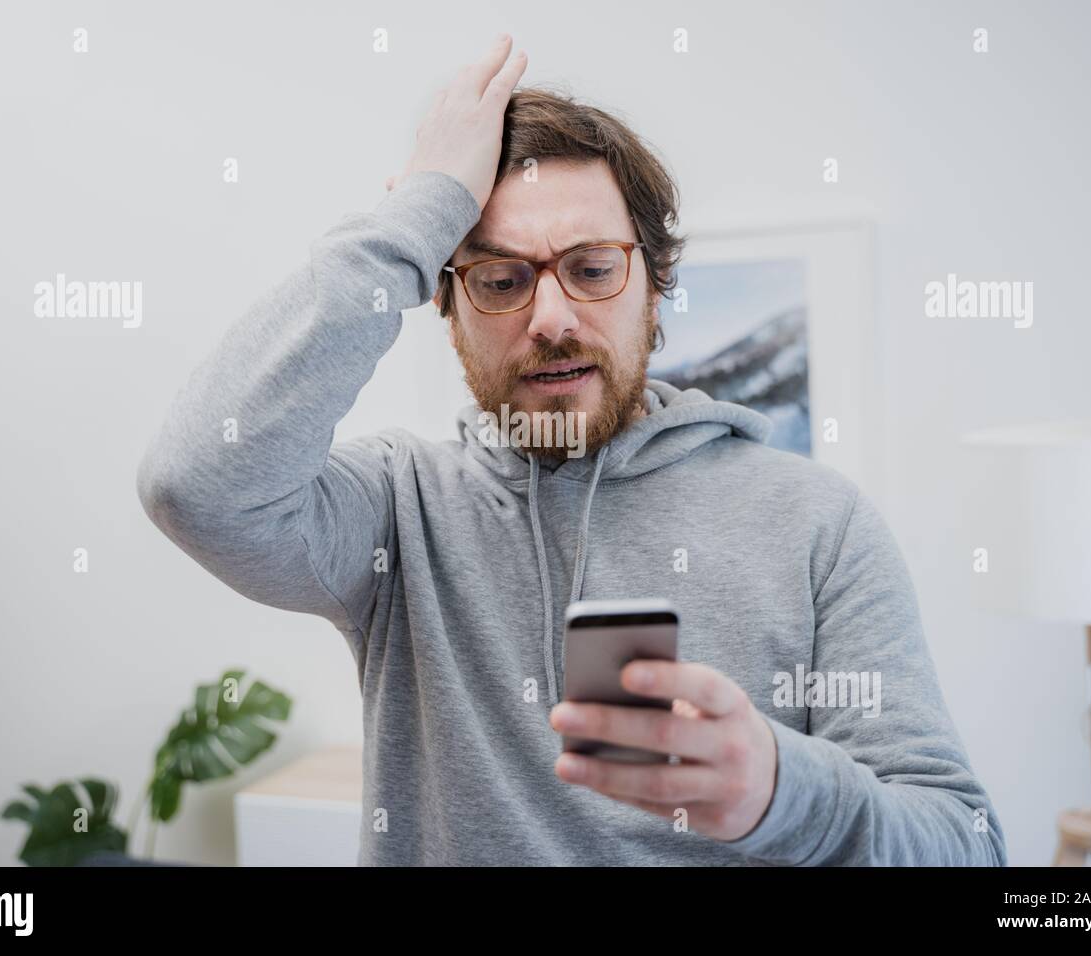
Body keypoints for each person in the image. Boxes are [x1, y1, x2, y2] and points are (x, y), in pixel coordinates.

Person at [136, 35, 1006, 866]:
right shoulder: (397, 514)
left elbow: (963, 846)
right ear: (447, 310)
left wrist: (784, 792)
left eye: (592, 269)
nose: (551, 320)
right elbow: (194, 483)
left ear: (655, 291)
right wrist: (419, 212)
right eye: (500, 278)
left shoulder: (822, 524)